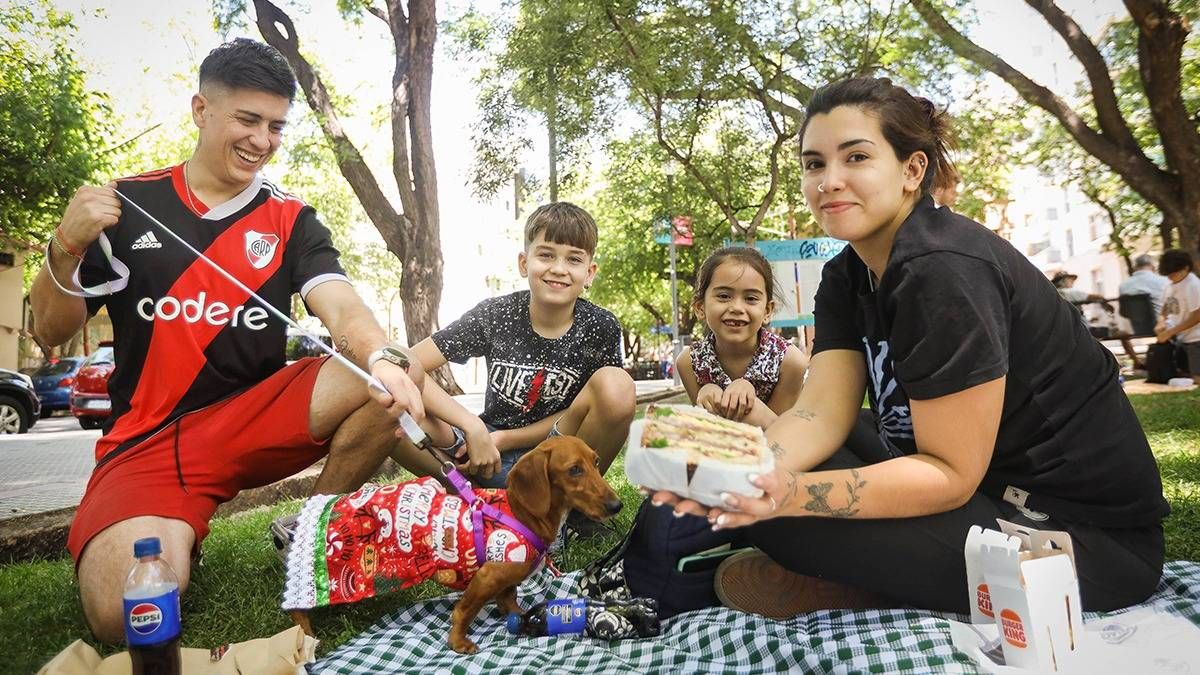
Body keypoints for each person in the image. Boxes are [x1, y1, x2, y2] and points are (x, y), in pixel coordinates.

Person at [651, 77, 1168, 617]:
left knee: (775, 516)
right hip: (979, 501)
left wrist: (784, 495)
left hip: (1086, 545)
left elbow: (949, 475)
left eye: (856, 157)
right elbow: (820, 414)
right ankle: (875, 581)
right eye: (813, 163)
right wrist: (750, 470)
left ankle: (863, 587)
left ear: (912, 170)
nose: (830, 181)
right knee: (749, 466)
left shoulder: (943, 269)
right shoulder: (846, 275)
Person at [28, 39, 429, 643]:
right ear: (200, 109)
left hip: (253, 420)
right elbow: (50, 331)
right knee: (122, 615)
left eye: (275, 126)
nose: (262, 141)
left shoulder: (293, 219)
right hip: (149, 444)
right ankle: (175, 531)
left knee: (387, 370)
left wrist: (380, 355)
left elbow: (342, 305)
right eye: (247, 119)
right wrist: (66, 243)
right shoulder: (127, 204)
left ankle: (309, 540)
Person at [377, 202, 635, 498]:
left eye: (573, 260)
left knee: (618, 386)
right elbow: (407, 364)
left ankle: (568, 508)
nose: (558, 269)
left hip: (555, 457)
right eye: (546, 254)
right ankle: (474, 500)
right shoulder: (495, 314)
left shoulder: (599, 326)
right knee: (384, 403)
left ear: (589, 273)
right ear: (524, 263)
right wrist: (472, 426)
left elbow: (587, 409)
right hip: (482, 453)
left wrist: (505, 439)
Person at [675, 246, 808, 429]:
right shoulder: (690, 362)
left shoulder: (790, 361)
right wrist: (705, 397)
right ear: (700, 307)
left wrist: (750, 402)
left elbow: (783, 433)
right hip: (720, 450)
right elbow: (706, 433)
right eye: (724, 296)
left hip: (776, 449)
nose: (737, 307)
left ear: (767, 311)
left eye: (751, 298)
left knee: (750, 410)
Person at [1116, 254, 1170, 369]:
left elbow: (1123, 312)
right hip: (1160, 326)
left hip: (1134, 327)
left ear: (1135, 267)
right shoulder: (1163, 281)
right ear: (1152, 266)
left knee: (1123, 333)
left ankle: (1136, 361)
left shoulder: (1123, 285)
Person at [1155, 248, 1200, 384]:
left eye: (1174, 273)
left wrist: (1170, 332)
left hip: (1196, 339)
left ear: (1186, 268)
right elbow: (1165, 306)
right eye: (1168, 274)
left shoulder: (1193, 285)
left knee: (1197, 377)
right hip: (1180, 338)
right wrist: (1161, 322)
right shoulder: (1170, 286)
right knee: (1183, 374)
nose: (1171, 277)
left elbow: (1197, 315)